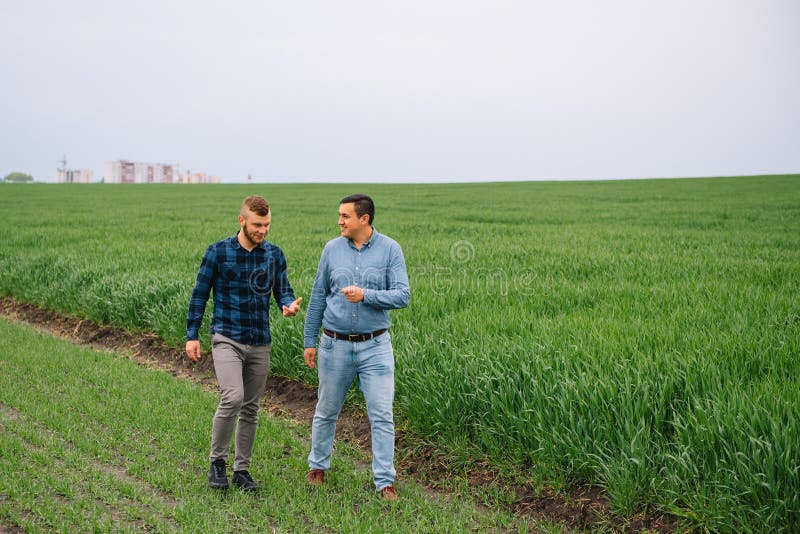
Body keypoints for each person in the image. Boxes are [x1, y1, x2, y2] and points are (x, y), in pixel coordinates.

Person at [186, 195, 301, 492]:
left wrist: (288, 305)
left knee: (251, 407)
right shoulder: (218, 252)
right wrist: (192, 335)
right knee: (233, 397)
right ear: (242, 220)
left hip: (260, 340)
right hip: (227, 337)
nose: (262, 230)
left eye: (267, 225)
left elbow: (283, 292)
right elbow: (200, 294)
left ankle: (242, 471)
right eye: (257, 225)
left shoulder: (274, 255)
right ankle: (217, 464)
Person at [303, 193, 410, 501]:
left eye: (345, 216)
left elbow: (403, 295)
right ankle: (318, 467)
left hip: (375, 346)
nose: (339, 221)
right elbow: (318, 297)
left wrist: (367, 295)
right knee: (326, 410)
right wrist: (310, 341)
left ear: (364, 219)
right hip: (334, 345)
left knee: (381, 414)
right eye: (339, 215)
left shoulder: (390, 250)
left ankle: (384, 482)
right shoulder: (331, 250)